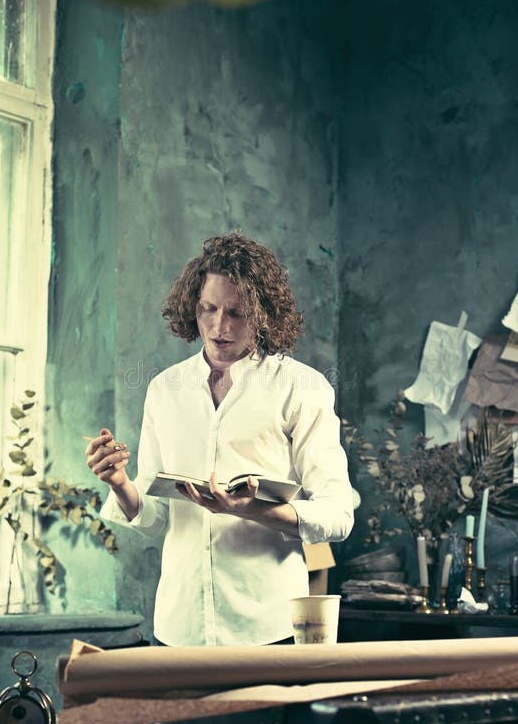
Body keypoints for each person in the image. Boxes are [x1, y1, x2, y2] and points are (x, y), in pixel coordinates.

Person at [85, 232, 354, 645]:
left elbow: (337, 515)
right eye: (208, 309)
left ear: (263, 315)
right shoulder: (163, 389)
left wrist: (253, 510)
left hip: (268, 628)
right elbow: (158, 519)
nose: (218, 327)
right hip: (180, 627)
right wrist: (120, 483)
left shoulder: (301, 387)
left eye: (237, 313)